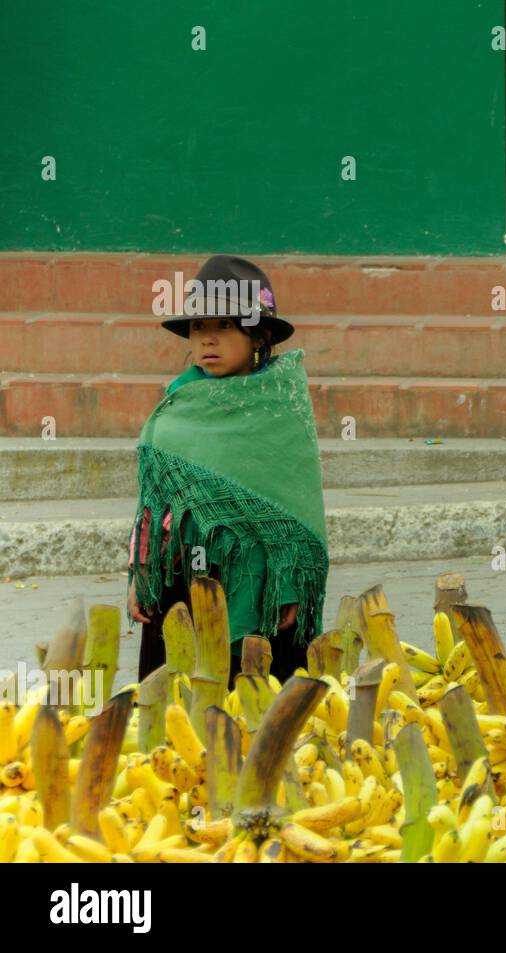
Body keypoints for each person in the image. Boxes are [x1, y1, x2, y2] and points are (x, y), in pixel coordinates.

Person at [128, 255, 329, 686]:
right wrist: (142, 573)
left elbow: (296, 504)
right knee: (177, 694)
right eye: (199, 328)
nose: (207, 340)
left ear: (257, 335)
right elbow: (154, 504)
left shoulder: (281, 406)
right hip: (183, 579)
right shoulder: (179, 402)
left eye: (224, 326)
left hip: (258, 583)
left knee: (254, 697)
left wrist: (289, 581)